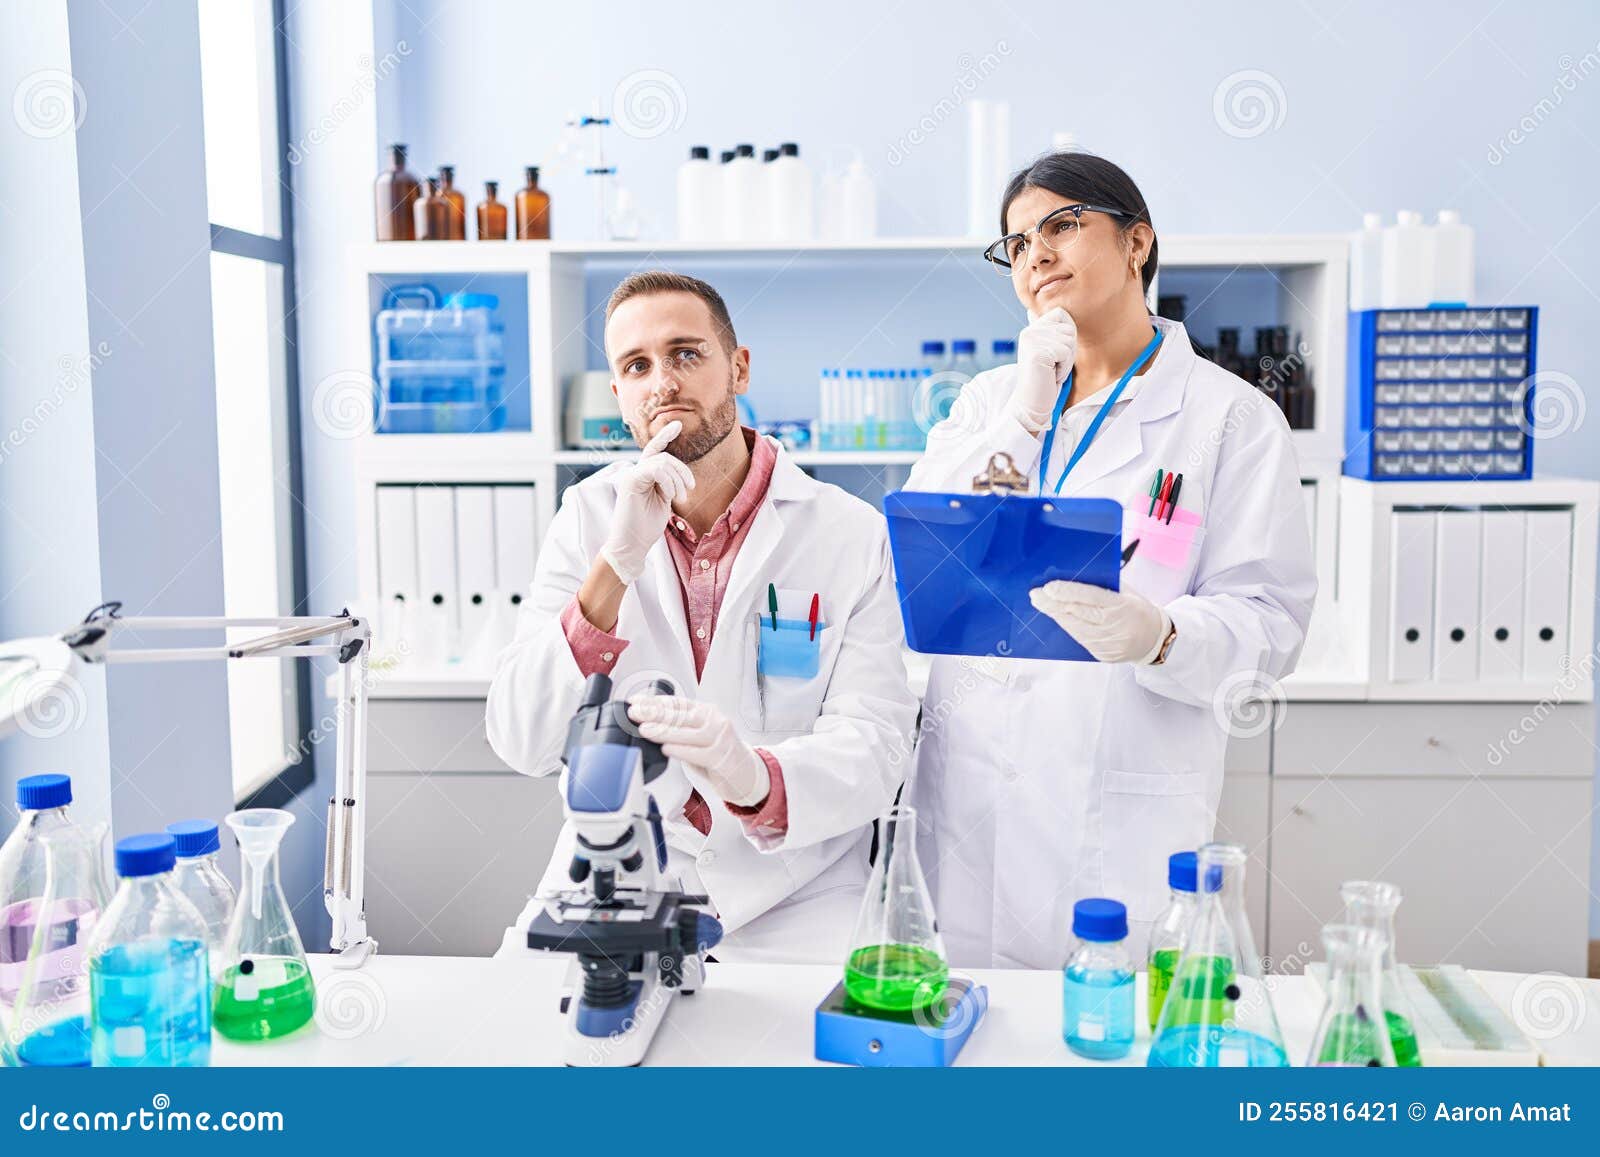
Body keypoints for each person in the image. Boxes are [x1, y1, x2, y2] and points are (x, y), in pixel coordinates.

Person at [905, 152, 1316, 969]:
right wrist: (1025, 410)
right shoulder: (991, 399)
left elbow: (1272, 620)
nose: (1036, 256)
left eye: (1062, 225)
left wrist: (1161, 635)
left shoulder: (1231, 418)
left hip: (1118, 804)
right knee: (966, 1039)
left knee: (1108, 1042)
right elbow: (929, 546)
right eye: (1016, 244)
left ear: (1138, 243)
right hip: (970, 792)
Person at [486, 270, 918, 963]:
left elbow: (877, 743)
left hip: (796, 889)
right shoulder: (590, 519)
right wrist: (615, 566)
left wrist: (755, 775)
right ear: (620, 395)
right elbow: (522, 736)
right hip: (621, 871)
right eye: (637, 365)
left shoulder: (847, 531)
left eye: (687, 353)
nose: (664, 382)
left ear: (737, 367)